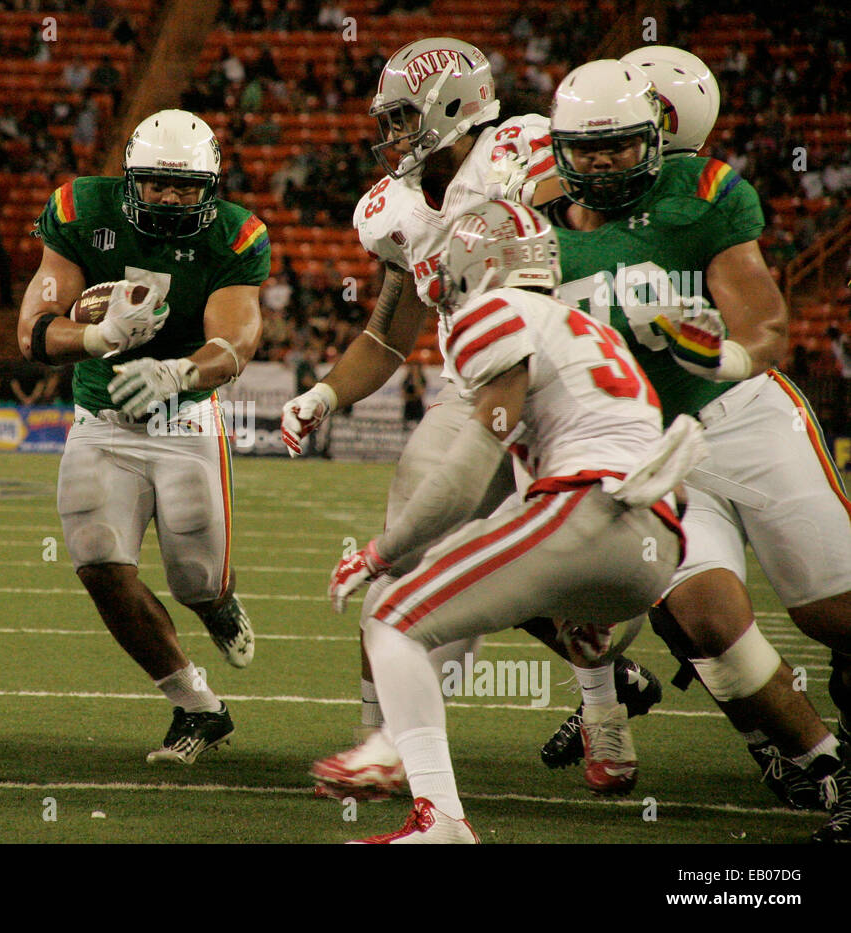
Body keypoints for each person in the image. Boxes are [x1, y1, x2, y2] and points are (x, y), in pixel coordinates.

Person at [280, 38, 660, 799]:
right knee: (435, 538)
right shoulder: (393, 209)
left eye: (400, 117)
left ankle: (603, 707)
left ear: (448, 106)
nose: (387, 135)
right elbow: (389, 332)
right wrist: (324, 394)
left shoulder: (519, 147)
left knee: (595, 555)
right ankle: (386, 739)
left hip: (562, 369)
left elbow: (600, 209)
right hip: (479, 386)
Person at [536, 59, 851, 841]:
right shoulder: (524, 225)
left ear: (657, 138)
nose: (603, 161)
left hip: (741, 413)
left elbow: (768, 323)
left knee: (835, 611)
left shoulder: (704, 192)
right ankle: (827, 767)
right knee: (708, 619)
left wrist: (726, 356)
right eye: (587, 146)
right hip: (647, 444)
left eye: (622, 144)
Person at [331, 199, 701, 843]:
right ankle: (401, 747)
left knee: (392, 613)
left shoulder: (492, 313)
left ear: (477, 262)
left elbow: (468, 473)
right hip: (654, 547)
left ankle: (439, 819)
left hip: (585, 514)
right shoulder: (592, 331)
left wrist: (379, 553)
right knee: (449, 598)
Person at [17, 109, 268, 763]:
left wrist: (178, 370)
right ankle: (195, 704)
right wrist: (97, 338)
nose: (172, 197)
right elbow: (34, 330)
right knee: (99, 563)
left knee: (196, 580)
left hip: (183, 417)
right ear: (131, 178)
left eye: (186, 187)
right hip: (103, 417)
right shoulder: (79, 209)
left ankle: (218, 604)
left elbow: (237, 340)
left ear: (210, 187)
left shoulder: (236, 236)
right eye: (158, 183)